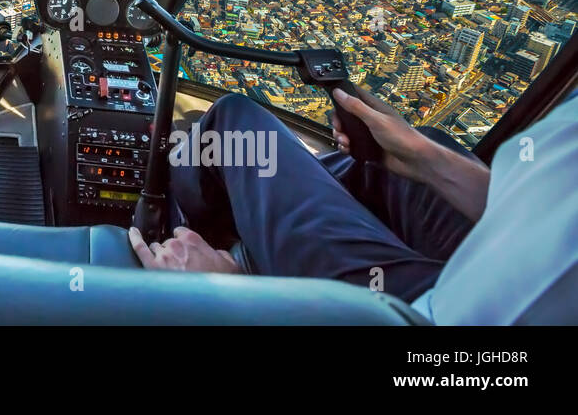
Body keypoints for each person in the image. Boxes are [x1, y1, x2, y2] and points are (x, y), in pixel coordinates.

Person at [127, 85, 578, 323]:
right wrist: (424, 159)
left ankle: (214, 236)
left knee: (238, 126)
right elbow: (543, 206)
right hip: (499, 256)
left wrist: (229, 299)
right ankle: (273, 235)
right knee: (404, 158)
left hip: (427, 318)